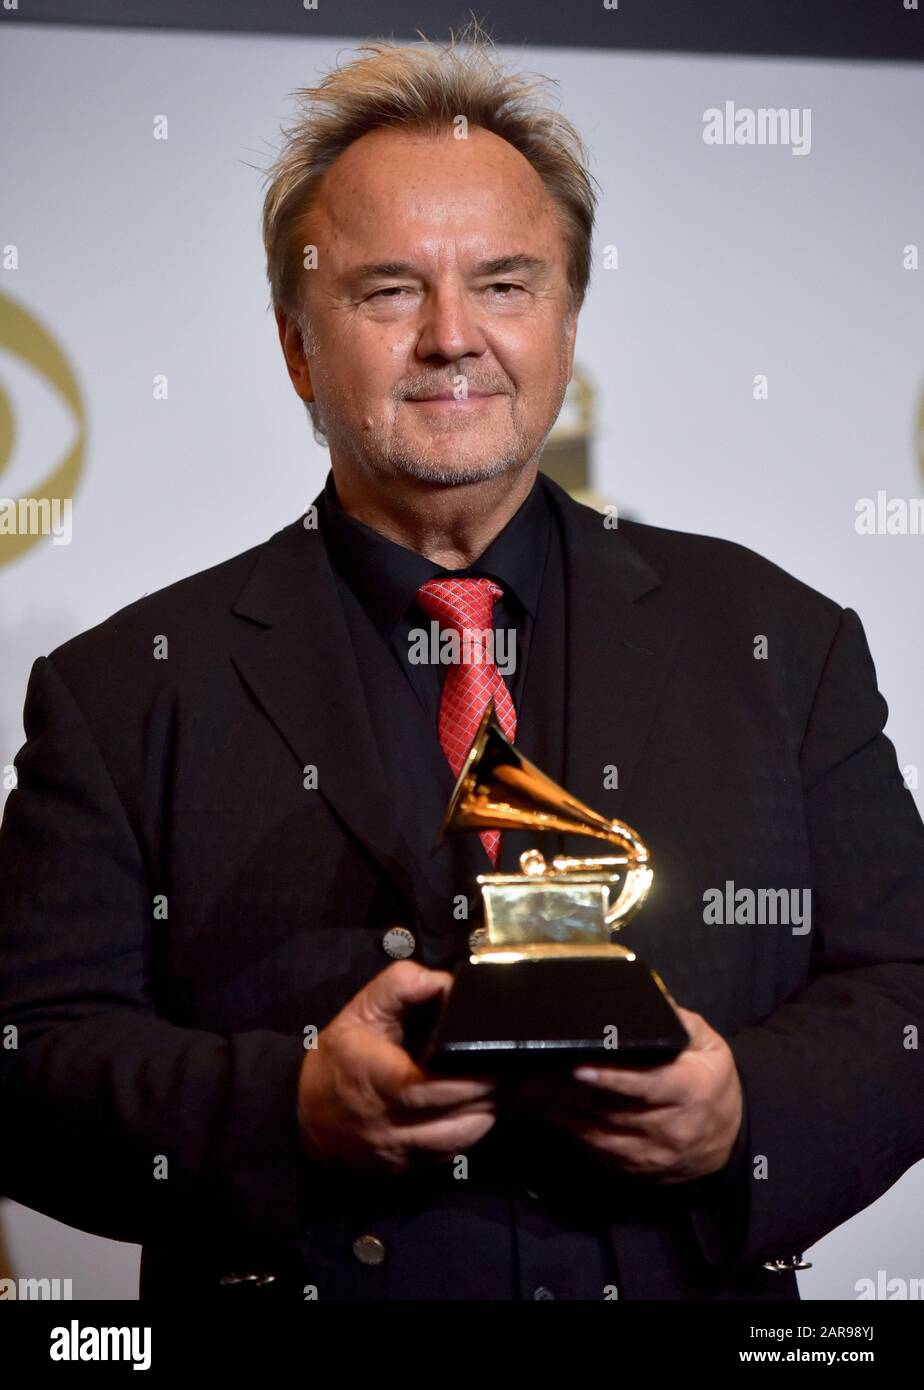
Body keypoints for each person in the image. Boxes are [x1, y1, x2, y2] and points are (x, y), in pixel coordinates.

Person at [1, 27, 922, 1302]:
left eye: (504, 282)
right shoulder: (122, 691)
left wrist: (745, 1119)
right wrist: (290, 1107)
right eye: (388, 291)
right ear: (296, 346)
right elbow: (27, 1058)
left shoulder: (784, 643)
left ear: (566, 318)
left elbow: (905, 991)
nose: (452, 337)